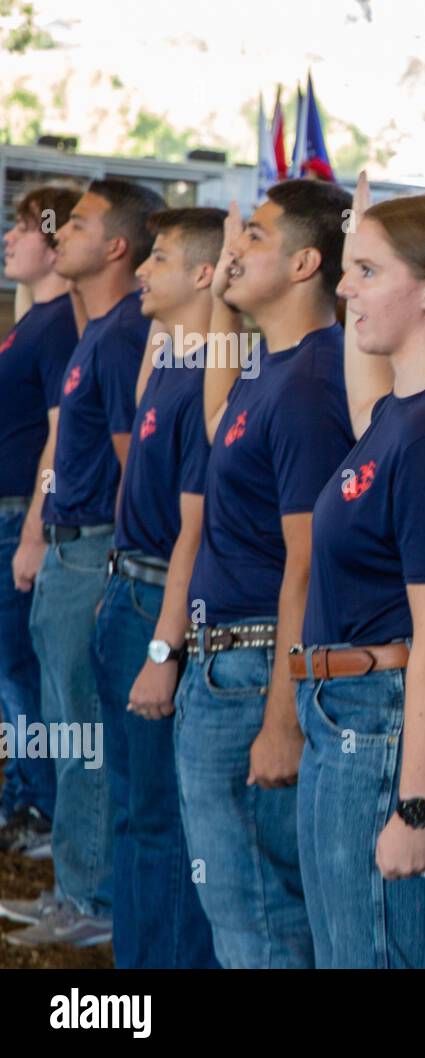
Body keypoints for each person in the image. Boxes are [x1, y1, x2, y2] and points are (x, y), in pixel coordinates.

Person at [292, 183, 425, 968]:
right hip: (343, 715)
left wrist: (416, 807)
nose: (344, 289)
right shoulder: (396, 417)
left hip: (381, 727)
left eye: (368, 273)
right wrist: (364, 234)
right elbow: (365, 385)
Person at [175, 179, 354, 968]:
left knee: (258, 913)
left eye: (256, 236)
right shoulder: (269, 366)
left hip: (254, 673)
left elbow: (309, 566)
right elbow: (218, 423)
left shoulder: (313, 385)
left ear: (307, 262)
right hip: (227, 666)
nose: (234, 248)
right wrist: (224, 296)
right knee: (240, 907)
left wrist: (283, 719)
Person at [6, 179, 161, 949]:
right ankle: (77, 886)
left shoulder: (126, 331)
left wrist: (112, 574)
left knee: (83, 732)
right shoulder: (98, 328)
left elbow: (138, 470)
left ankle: (90, 895)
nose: (60, 231)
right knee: (70, 730)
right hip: (73, 541)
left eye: (81, 223)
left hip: (94, 545)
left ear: (118, 246)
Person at [86, 207, 229, 968]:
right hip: (126, 591)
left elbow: (194, 533)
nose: (140, 269)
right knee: (133, 814)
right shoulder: (172, 360)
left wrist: (164, 648)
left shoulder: (216, 380)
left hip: (156, 607)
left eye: (161, 258)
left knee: (164, 826)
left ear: (204, 275)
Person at [0, 186, 79, 861]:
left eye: (23, 228)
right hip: (10, 516)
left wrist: (32, 530)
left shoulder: (57, 326)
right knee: (12, 669)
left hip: (18, 519)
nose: (9, 237)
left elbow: (60, 436)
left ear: (54, 245)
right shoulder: (37, 318)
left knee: (21, 670)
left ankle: (39, 806)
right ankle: (25, 797)